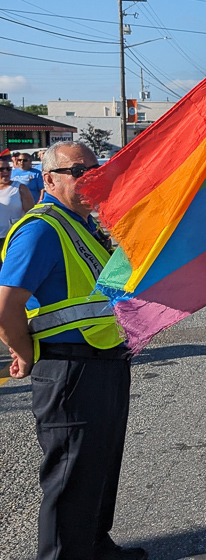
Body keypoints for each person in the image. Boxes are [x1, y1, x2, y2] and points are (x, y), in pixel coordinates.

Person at [0, 141, 148, 560]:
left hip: (103, 363)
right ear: (49, 179)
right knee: (70, 477)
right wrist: (25, 354)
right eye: (78, 171)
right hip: (69, 370)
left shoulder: (82, 223)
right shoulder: (42, 229)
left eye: (95, 169)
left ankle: (95, 546)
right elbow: (6, 306)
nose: (91, 178)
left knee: (97, 468)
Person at [0, 153, 35, 236]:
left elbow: (31, 214)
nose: (6, 171)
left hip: (12, 237)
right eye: (1, 169)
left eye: (8, 169)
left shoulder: (20, 188)